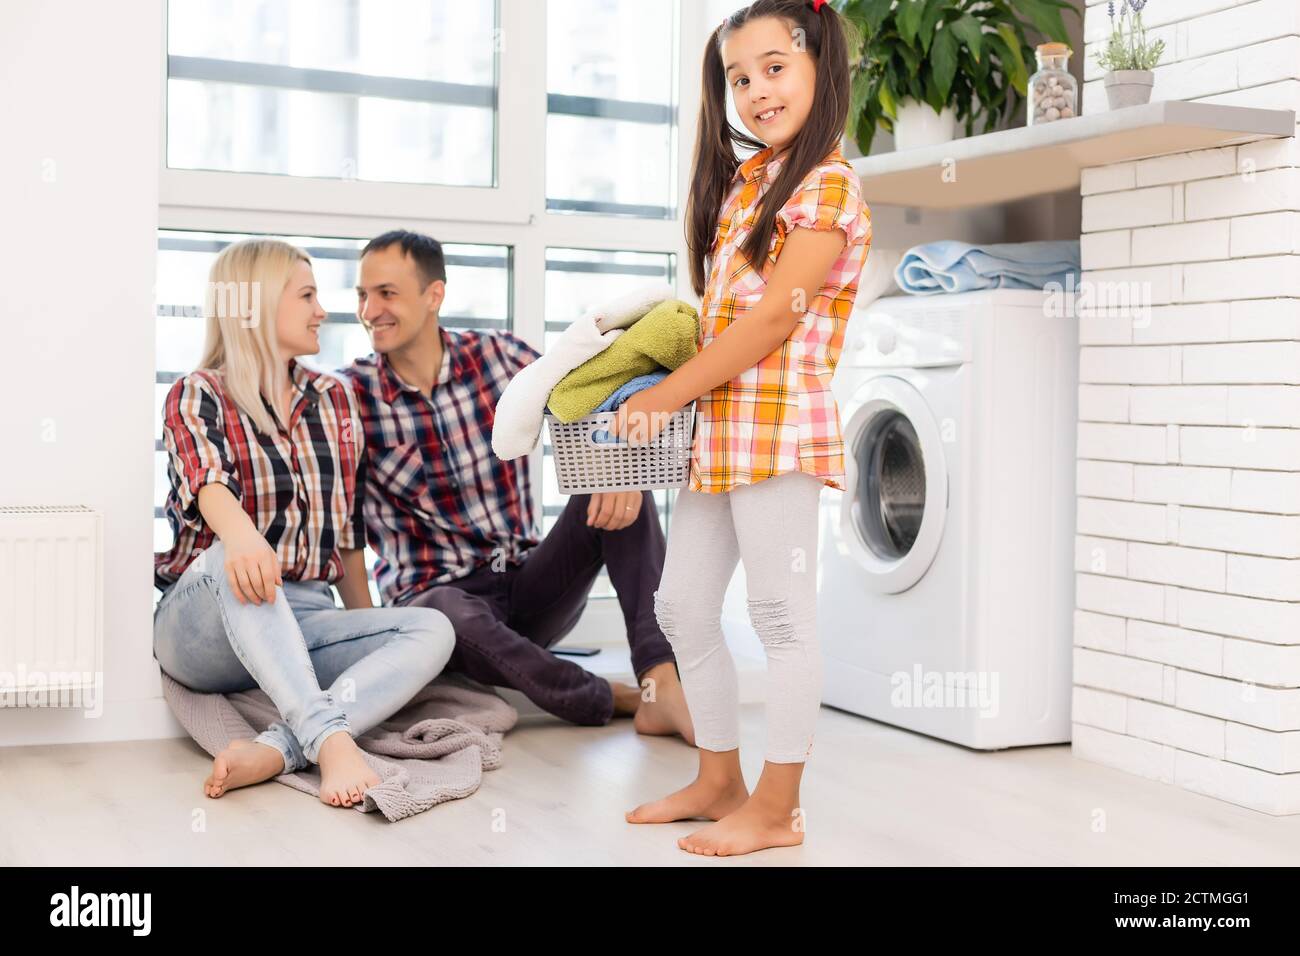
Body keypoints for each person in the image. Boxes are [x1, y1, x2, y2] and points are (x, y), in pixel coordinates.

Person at [617, 0, 872, 855]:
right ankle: (719, 778)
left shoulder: (827, 183)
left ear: (817, 68)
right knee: (683, 605)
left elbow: (768, 326)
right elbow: (720, 317)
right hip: (721, 430)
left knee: (779, 614)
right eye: (739, 77)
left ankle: (777, 808)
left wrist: (662, 397)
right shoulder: (748, 183)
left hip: (780, 428)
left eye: (774, 67)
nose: (757, 89)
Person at [344, 231, 694, 740]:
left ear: (433, 295)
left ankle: (660, 682)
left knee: (626, 492)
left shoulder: (500, 358)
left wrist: (620, 461)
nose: (369, 309)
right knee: (446, 608)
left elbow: (595, 386)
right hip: (438, 613)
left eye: (386, 293)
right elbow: (346, 532)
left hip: (526, 586)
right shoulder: (350, 397)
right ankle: (605, 696)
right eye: (361, 295)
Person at [153, 238, 455, 808]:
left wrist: (371, 630)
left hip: (304, 616)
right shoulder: (199, 393)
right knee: (238, 559)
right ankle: (332, 743)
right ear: (258, 304)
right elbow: (208, 481)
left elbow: (347, 535)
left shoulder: (333, 398)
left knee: (431, 630)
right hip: (203, 622)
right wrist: (243, 539)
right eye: (308, 296)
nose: (324, 310)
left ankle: (280, 748)